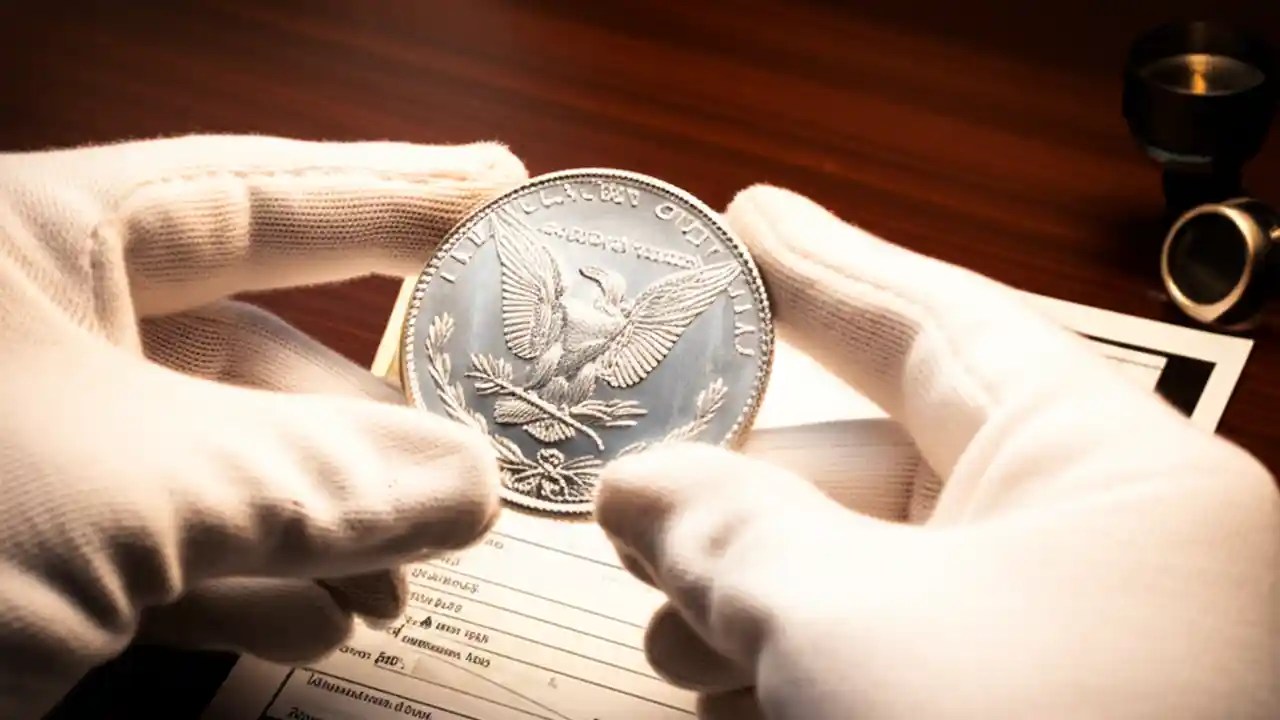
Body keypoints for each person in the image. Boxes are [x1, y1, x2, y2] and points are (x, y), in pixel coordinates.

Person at [0, 135, 1274, 720]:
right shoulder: (558, 301)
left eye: (596, 296)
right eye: (577, 291)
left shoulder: (641, 316)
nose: (579, 298)